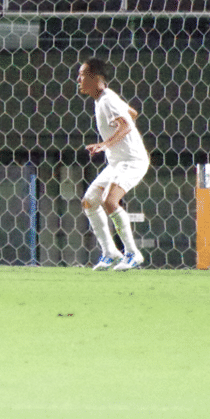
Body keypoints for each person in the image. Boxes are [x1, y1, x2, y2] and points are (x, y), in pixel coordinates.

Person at [77, 57, 149, 271]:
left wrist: (105, 144)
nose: (78, 79)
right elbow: (133, 114)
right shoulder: (103, 100)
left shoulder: (107, 100)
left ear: (95, 77)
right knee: (89, 201)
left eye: (82, 74)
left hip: (132, 161)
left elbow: (126, 124)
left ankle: (133, 253)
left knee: (110, 201)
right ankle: (110, 252)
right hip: (117, 163)